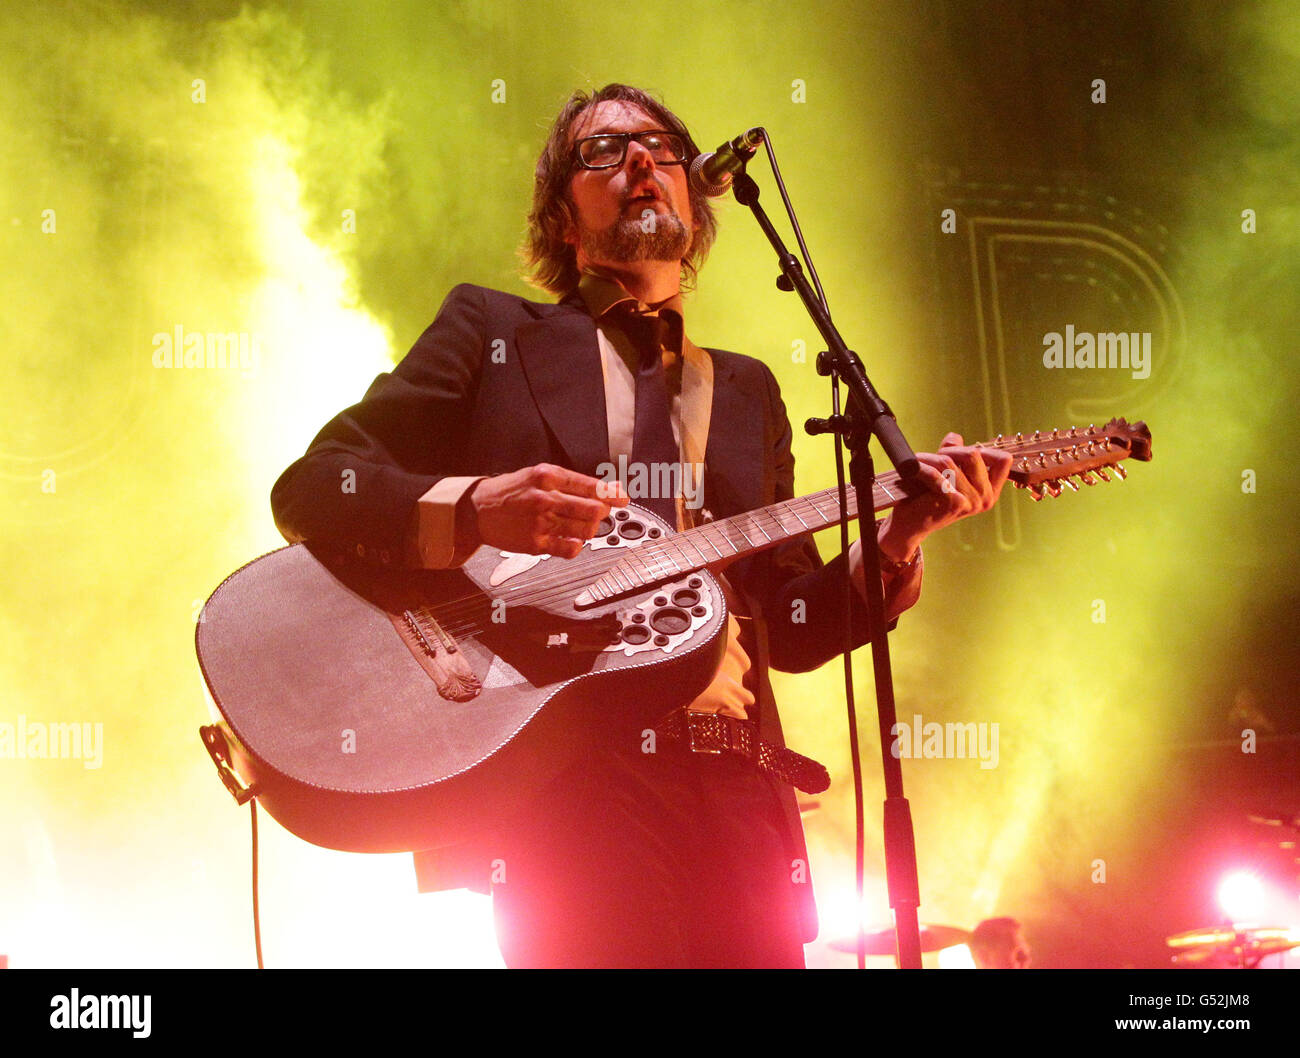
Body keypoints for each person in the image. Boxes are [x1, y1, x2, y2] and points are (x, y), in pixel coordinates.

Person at [270, 83, 1012, 967]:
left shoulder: (745, 391)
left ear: (697, 200)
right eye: (604, 151)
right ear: (561, 218)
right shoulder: (491, 329)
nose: (642, 164)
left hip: (737, 788)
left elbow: (793, 623)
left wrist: (894, 546)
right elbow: (315, 486)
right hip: (567, 785)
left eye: (663, 149)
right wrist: (475, 509)